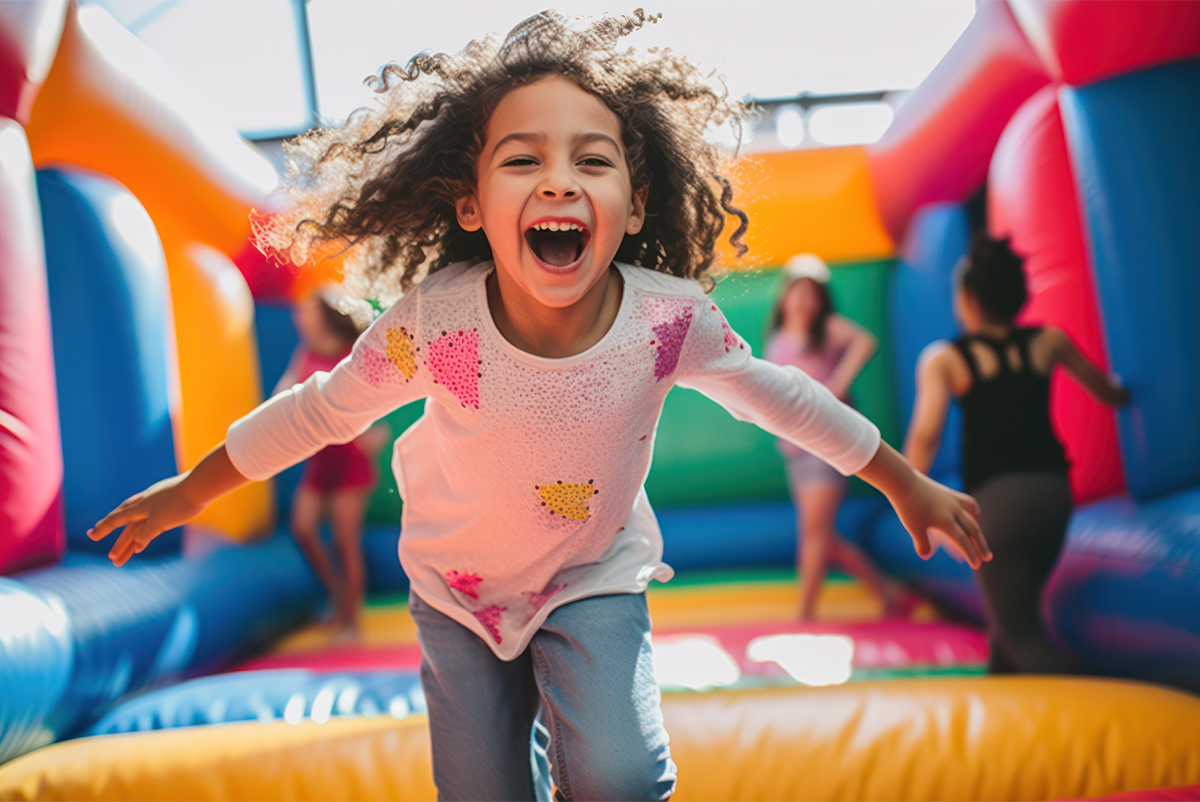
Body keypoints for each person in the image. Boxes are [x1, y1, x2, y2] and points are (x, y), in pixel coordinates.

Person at [89, 12, 990, 800]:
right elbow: (320, 410)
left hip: (589, 574)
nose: (559, 182)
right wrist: (190, 490)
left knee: (622, 779)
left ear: (635, 207)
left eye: (590, 161)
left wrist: (902, 482)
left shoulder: (665, 321)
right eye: (523, 160)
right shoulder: (437, 323)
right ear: (474, 206)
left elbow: (784, 400)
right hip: (456, 589)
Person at [904, 236, 1127, 674]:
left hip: (998, 507)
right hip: (1054, 496)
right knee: (1009, 622)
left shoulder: (944, 358)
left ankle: (1086, 730)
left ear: (967, 300)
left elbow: (926, 434)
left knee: (1021, 633)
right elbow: (1108, 391)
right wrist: (1131, 389)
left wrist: (908, 491)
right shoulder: (1049, 341)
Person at [767, 254, 918, 621]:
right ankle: (887, 593)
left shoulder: (828, 329)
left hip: (826, 443)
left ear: (821, 299)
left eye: (811, 293)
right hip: (797, 448)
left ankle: (805, 614)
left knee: (814, 534)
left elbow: (866, 341)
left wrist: (839, 382)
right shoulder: (779, 340)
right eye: (796, 292)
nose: (803, 301)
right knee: (821, 535)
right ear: (785, 296)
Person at [276, 288, 388, 636]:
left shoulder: (349, 354)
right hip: (321, 461)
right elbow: (282, 394)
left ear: (323, 314)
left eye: (305, 309)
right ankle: (340, 598)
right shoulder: (305, 353)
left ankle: (351, 619)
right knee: (303, 528)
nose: (298, 316)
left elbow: (374, 403)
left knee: (344, 539)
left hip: (351, 460)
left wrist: (370, 432)